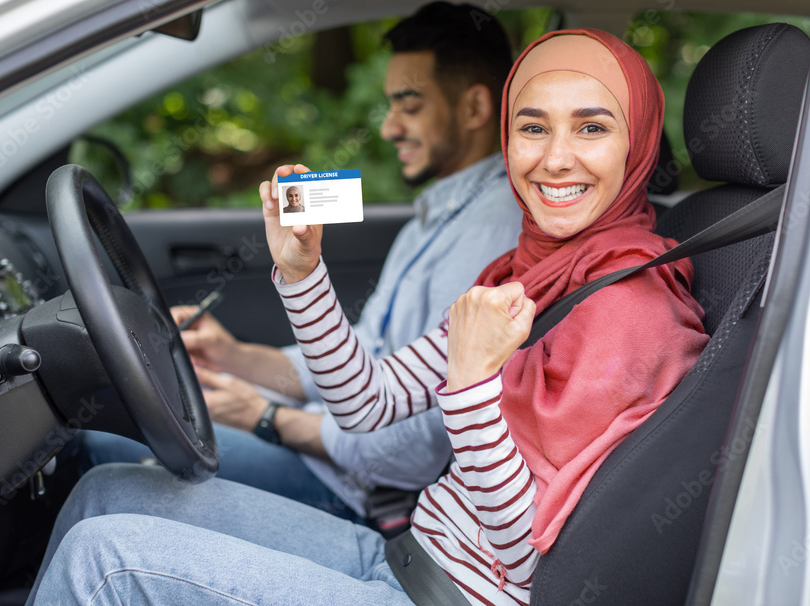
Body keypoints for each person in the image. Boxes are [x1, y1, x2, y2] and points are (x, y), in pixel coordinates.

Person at [29, 28, 710, 606]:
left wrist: (472, 386)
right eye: (533, 126)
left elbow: (535, 558)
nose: (555, 157)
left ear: (637, 143)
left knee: (102, 557)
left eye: (592, 126)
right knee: (108, 489)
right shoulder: (524, 274)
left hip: (460, 595)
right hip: (408, 558)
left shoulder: (630, 311)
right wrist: (302, 274)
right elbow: (364, 401)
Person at [78, 2, 521, 525]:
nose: (388, 128)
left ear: (473, 109)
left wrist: (267, 418)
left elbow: (412, 445)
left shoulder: (493, 232)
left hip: (360, 492)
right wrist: (236, 355)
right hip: (326, 448)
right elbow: (364, 362)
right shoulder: (435, 214)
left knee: (101, 451)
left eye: (409, 104)